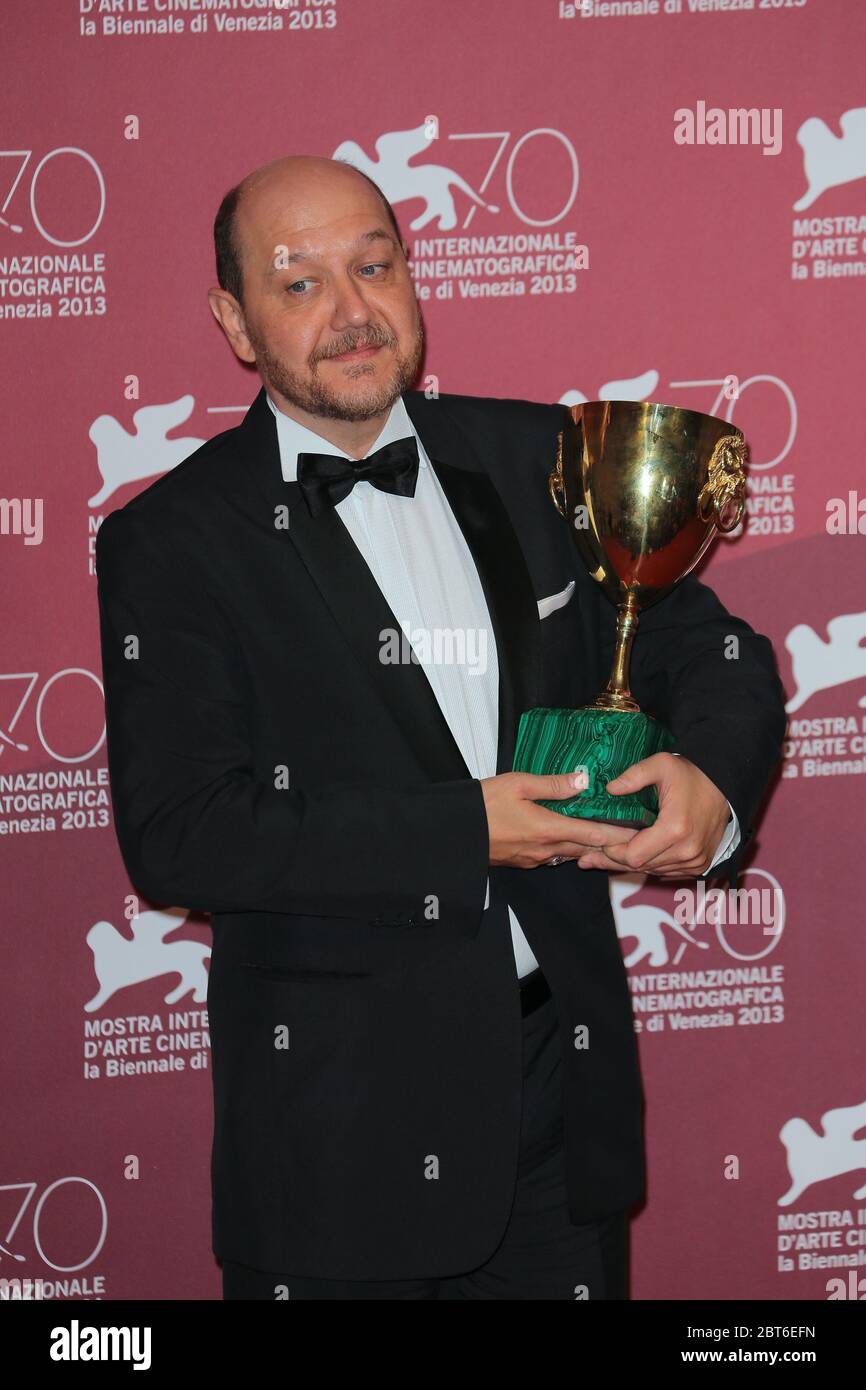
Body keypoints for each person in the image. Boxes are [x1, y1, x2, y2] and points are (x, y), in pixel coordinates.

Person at [95, 155, 787, 1300]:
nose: (353, 311)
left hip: (556, 1110)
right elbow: (181, 833)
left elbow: (707, 650)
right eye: (300, 283)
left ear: (414, 278)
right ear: (234, 320)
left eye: (374, 265)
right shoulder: (170, 541)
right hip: (337, 1138)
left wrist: (711, 786)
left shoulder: (537, 457)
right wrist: (461, 831)